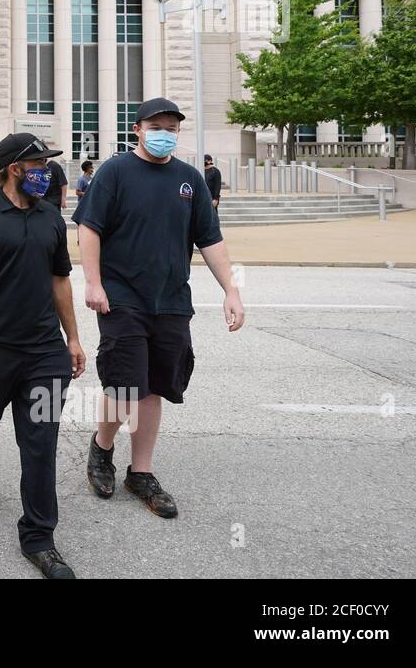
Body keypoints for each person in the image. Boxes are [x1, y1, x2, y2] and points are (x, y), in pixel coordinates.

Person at [74, 98, 245, 519]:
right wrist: (93, 283)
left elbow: (210, 239)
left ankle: (142, 472)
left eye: (172, 126)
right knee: (123, 382)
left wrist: (231, 290)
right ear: (138, 129)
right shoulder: (115, 172)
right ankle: (103, 448)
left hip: (171, 301)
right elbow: (88, 228)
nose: (164, 131)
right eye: (156, 124)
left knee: (155, 386)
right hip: (121, 296)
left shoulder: (190, 179)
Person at [0, 133, 86, 579]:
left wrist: (74, 340)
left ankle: (39, 539)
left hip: (44, 353)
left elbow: (60, 280)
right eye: (37, 163)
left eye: (47, 163)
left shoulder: (50, 219)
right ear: (12, 168)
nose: (45, 170)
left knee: (41, 444)